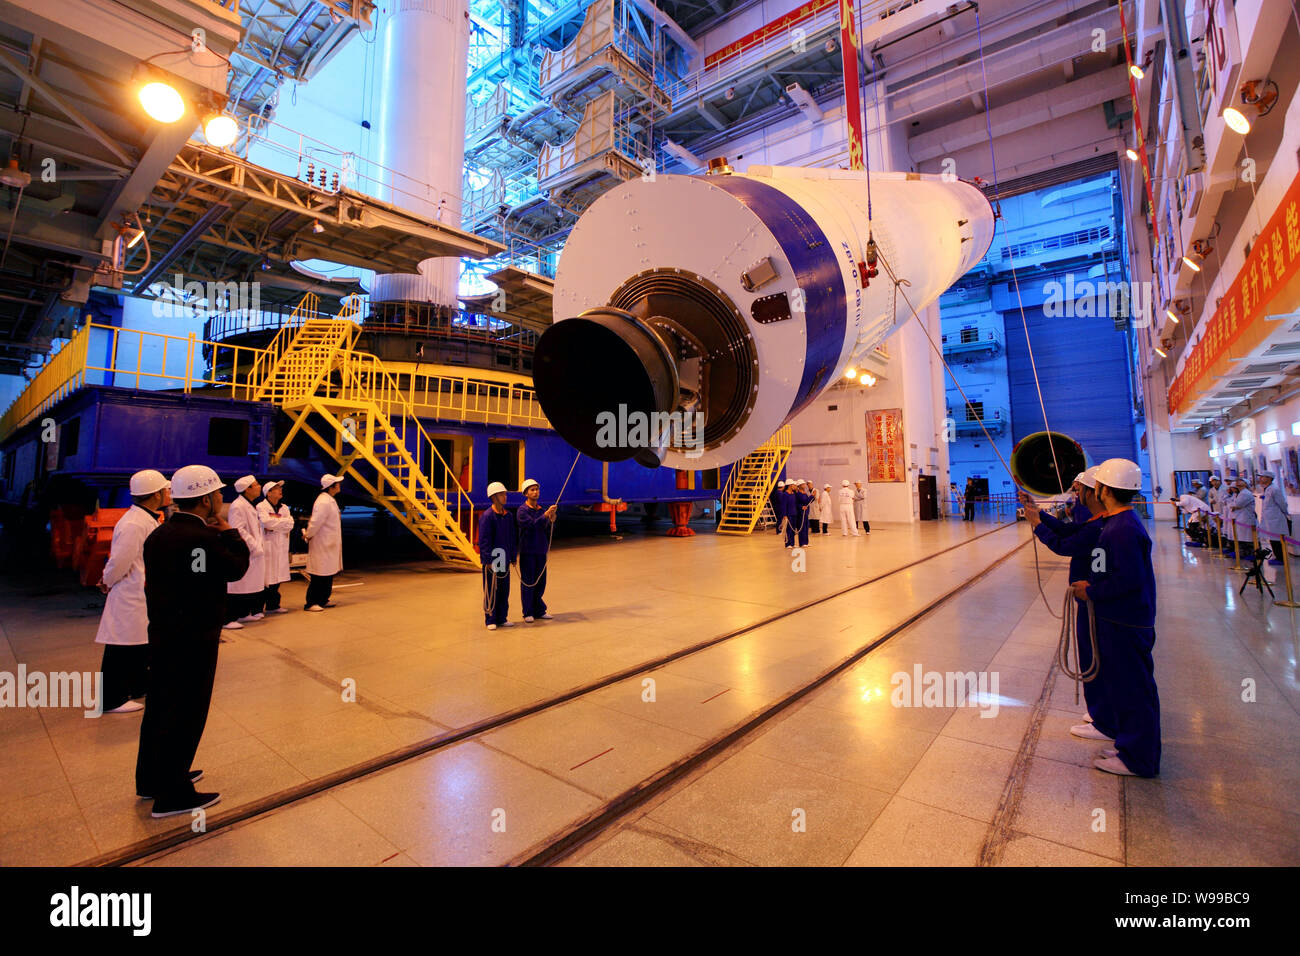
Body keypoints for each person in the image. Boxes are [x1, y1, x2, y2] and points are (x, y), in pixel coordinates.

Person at [135, 465, 249, 817]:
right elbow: (236, 568)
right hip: (193, 639)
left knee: (160, 708)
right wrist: (230, 533)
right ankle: (173, 794)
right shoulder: (202, 539)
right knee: (185, 712)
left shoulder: (160, 534)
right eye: (217, 495)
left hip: (165, 635)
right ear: (204, 500)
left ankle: (153, 778)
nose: (221, 499)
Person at [1069, 458, 1159, 778]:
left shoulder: (1120, 530)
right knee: (1125, 687)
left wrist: (1091, 591)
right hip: (1123, 619)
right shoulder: (1122, 523)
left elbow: (1127, 580)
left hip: (1126, 621)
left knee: (1133, 690)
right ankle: (1127, 743)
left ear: (1104, 490)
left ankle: (1139, 758)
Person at [1020, 467, 1110, 733]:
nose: (1075, 492)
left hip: (1095, 602)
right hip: (1091, 600)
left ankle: (1104, 721)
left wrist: (1037, 525)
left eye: (1079, 488)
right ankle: (1100, 713)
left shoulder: (1102, 528)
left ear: (1097, 491)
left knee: (1095, 656)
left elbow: (1066, 545)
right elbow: (1069, 531)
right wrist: (1040, 514)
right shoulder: (1098, 522)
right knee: (1091, 655)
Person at [95, 469, 170, 714]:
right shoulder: (134, 523)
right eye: (166, 490)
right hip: (129, 594)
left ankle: (138, 686)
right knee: (120, 648)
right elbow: (119, 561)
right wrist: (106, 581)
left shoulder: (146, 518)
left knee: (138, 645)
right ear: (156, 495)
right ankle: (112, 699)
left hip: (141, 594)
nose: (169, 493)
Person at [224, 475, 265, 629]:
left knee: (248, 584)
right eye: (256, 485)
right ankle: (228, 618)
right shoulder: (238, 506)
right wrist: (254, 546)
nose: (259, 486)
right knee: (238, 585)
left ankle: (242, 614)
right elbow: (238, 529)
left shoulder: (248, 504)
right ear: (247, 489)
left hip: (252, 552)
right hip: (246, 551)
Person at [516, 478, 556, 623]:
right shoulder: (522, 511)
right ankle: (527, 612)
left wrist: (551, 519)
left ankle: (539, 610)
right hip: (528, 552)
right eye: (532, 490)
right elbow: (532, 525)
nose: (535, 492)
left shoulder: (540, 510)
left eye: (537, 489)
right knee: (528, 582)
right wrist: (545, 516)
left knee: (540, 582)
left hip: (540, 551)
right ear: (526, 493)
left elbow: (545, 529)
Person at [479, 481, 517, 630]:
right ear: (494, 497)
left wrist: (513, 556)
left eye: (505, 494)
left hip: (504, 557)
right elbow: (484, 540)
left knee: (503, 589)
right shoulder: (488, 517)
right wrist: (487, 559)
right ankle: (490, 619)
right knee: (491, 589)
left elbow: (512, 538)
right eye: (502, 494)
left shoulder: (508, 516)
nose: (505, 497)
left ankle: (502, 617)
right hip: (493, 558)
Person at [304, 475, 343, 611]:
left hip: (329, 544)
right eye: (337, 483)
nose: (339, 485)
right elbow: (315, 522)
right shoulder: (323, 502)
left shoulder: (329, 500)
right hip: (322, 544)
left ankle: (323, 599)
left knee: (327, 573)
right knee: (319, 574)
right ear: (331, 486)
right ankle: (311, 602)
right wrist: (308, 535)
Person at [257, 480, 294, 613]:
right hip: (267, 546)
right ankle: (258, 609)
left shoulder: (284, 507)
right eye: (276, 488)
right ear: (269, 493)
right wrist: (281, 523)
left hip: (280, 546)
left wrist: (276, 524)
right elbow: (266, 523)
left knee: (277, 577)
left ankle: (273, 606)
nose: (280, 490)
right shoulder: (261, 507)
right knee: (266, 579)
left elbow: (290, 524)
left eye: (280, 488)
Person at [1257, 470, 1290, 567]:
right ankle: (1277, 557)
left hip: (1276, 519)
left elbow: (1282, 503)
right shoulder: (1267, 489)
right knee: (1273, 539)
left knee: (1277, 540)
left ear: (1268, 478)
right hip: (1270, 520)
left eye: (1262, 477)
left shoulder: (1274, 489)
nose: (1260, 479)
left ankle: (1281, 558)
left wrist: (1286, 513)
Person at [1225, 476, 1257, 557]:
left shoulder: (1245, 493)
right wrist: (1231, 505)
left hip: (1246, 518)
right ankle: (1242, 553)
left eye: (1241, 481)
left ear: (1246, 484)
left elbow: (1237, 504)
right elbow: (1230, 504)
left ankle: (1248, 554)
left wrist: (1231, 505)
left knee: (1246, 538)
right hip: (1239, 518)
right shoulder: (1239, 493)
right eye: (1238, 481)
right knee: (1241, 537)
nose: (1238, 482)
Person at [794, 479, 813, 547]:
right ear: (800, 485)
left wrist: (812, 496)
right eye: (803, 484)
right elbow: (803, 502)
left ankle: (806, 542)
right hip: (801, 513)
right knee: (802, 528)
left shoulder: (804, 493)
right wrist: (812, 496)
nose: (805, 485)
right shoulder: (798, 494)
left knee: (806, 527)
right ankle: (802, 543)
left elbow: (808, 501)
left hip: (806, 513)